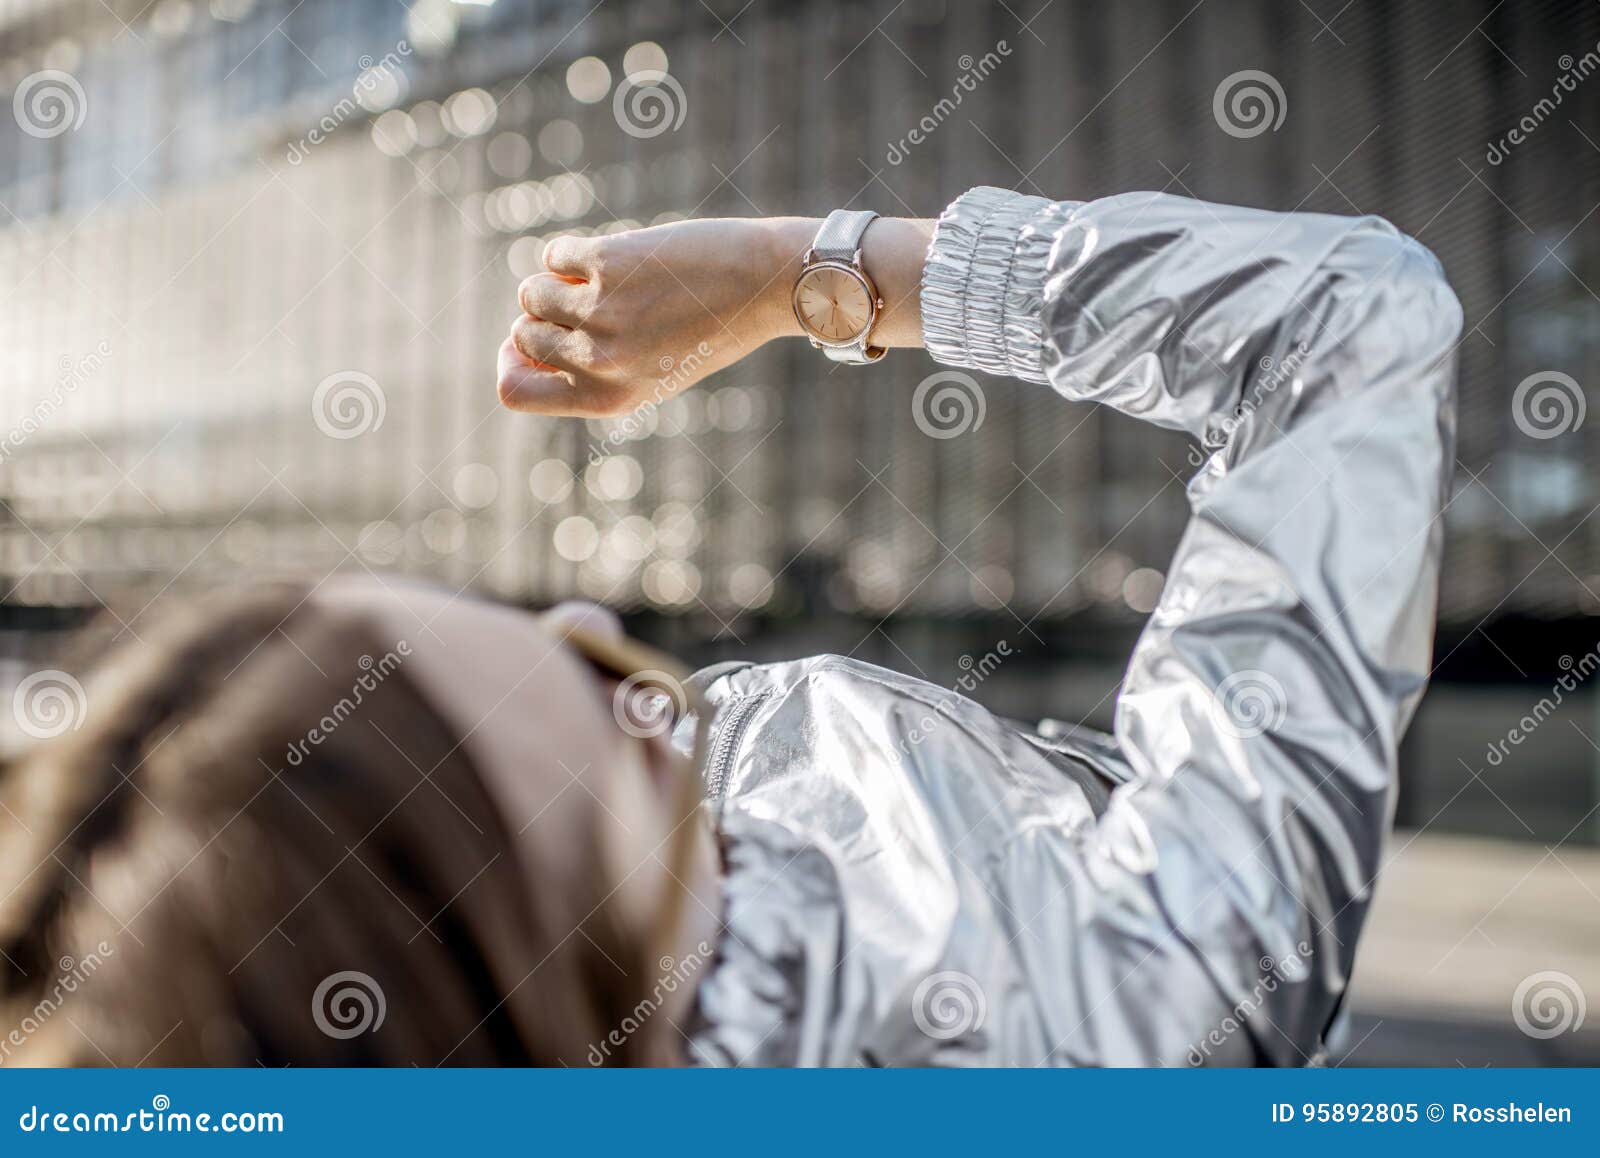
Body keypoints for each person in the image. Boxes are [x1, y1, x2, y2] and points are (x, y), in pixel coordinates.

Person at [0, 186, 1460, 1067]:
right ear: (500, 929)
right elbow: (1345, 325)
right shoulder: (1118, 1033)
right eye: (596, 693)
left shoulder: (638, 960)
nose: (587, 624)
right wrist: (814, 271)